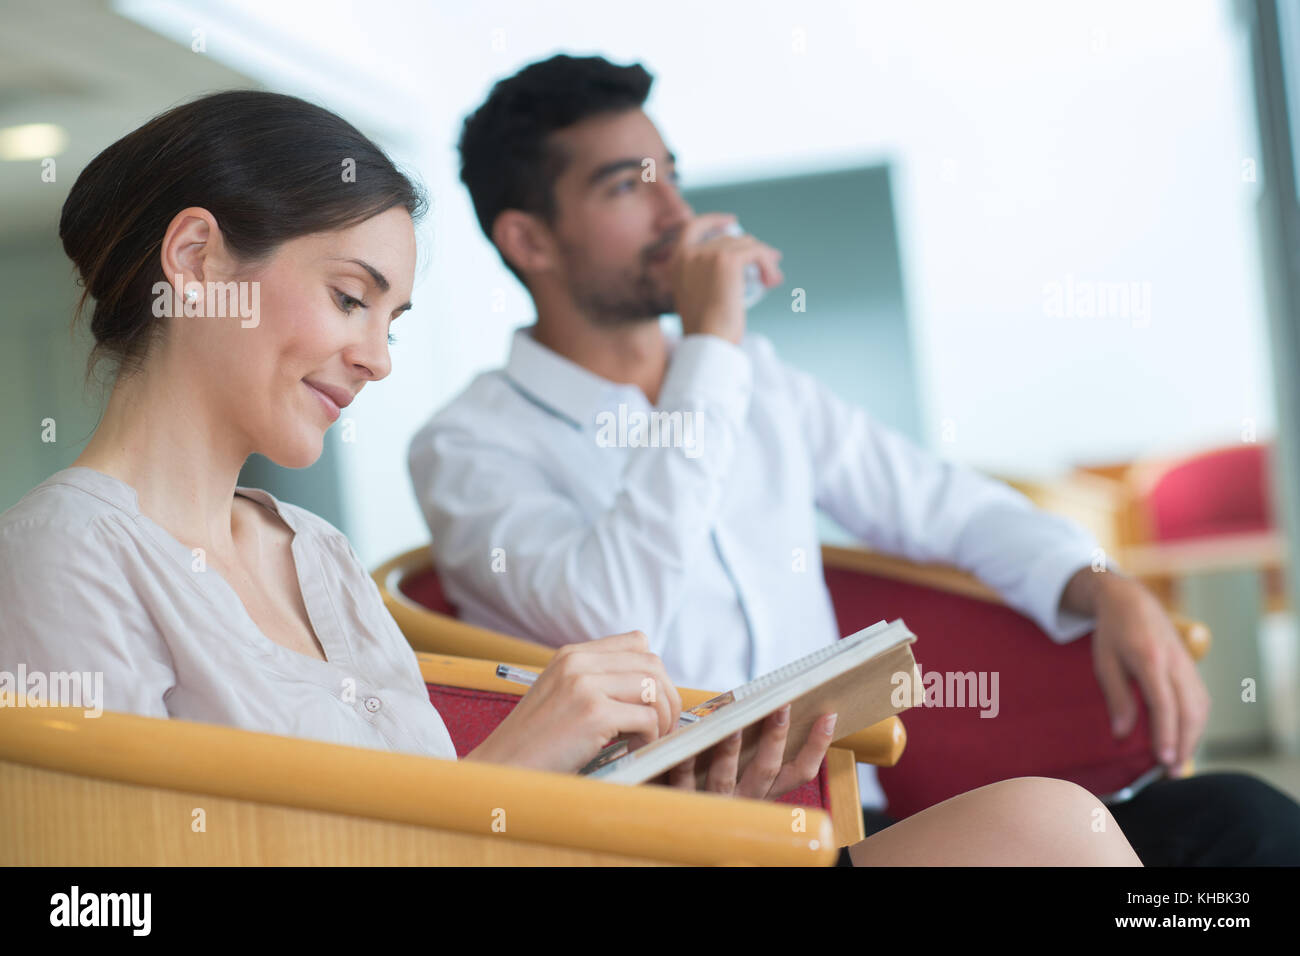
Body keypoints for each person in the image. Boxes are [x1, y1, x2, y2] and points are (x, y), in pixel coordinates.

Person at [0, 88, 1141, 867]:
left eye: (393, 318)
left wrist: (640, 794)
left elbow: (462, 831)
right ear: (197, 261)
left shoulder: (317, 554)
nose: (378, 355)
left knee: (1064, 830)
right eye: (351, 296)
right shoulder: (69, 551)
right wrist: (515, 761)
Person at [408, 53, 1300, 865]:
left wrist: (1104, 584)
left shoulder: (757, 381)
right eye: (627, 189)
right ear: (530, 241)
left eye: (671, 177)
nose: (677, 214)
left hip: (857, 818)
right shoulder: (467, 446)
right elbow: (612, 610)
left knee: (1241, 818)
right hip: (685, 842)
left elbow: (942, 504)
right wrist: (712, 344)